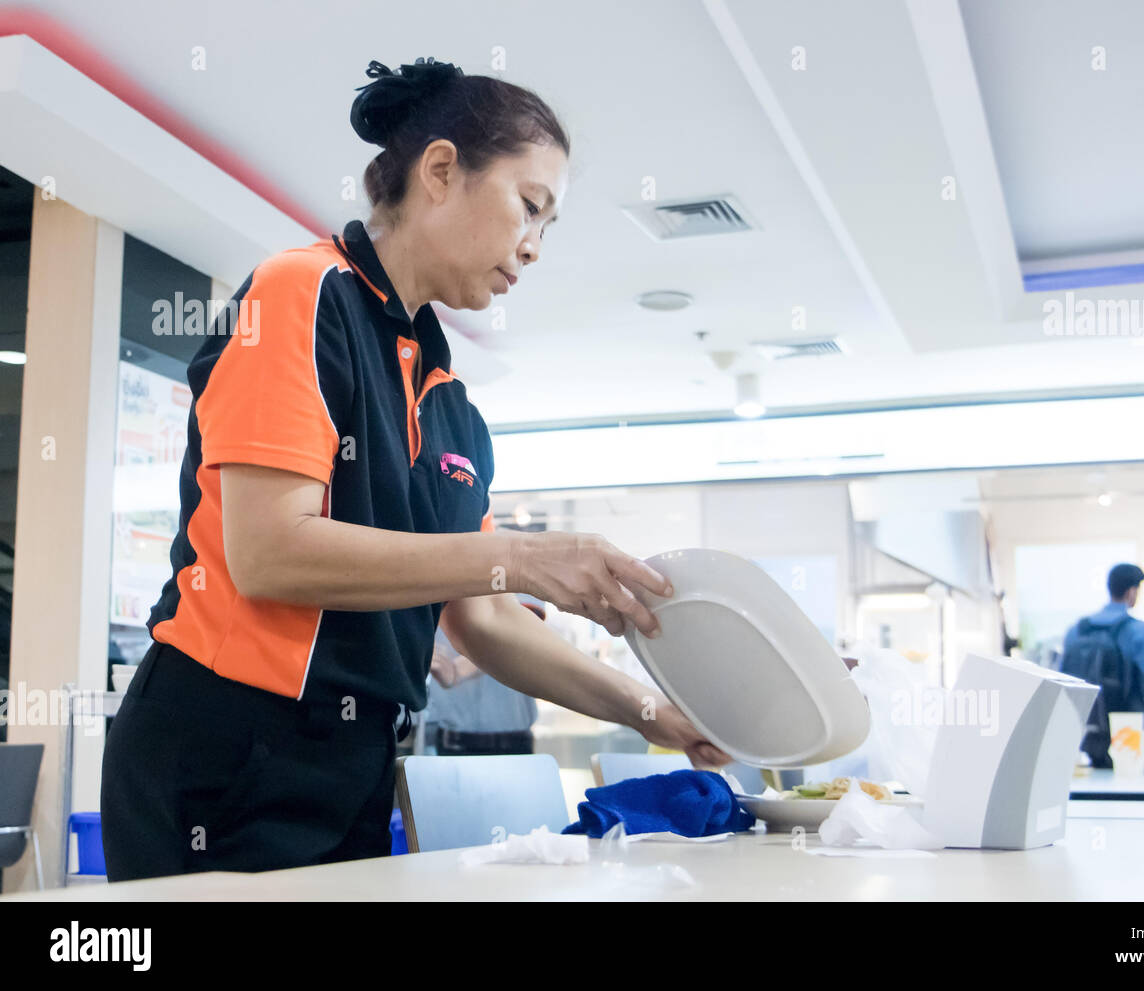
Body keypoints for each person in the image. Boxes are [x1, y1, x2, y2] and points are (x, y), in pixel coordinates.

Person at [100, 56, 730, 882]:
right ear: (441, 170)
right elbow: (269, 552)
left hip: (355, 761)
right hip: (225, 745)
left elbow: (485, 622)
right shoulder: (299, 293)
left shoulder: (452, 402)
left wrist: (664, 715)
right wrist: (525, 558)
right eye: (528, 207)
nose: (534, 248)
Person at [1060, 563, 1144, 768]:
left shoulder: (1077, 630)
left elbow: (1063, 679)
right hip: (1127, 725)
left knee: (1090, 784)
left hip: (1085, 724)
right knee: (1126, 777)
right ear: (1132, 591)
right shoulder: (1138, 631)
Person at [423, 605, 542, 756]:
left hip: (512, 741)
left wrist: (457, 671)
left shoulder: (520, 583)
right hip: (445, 736)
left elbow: (520, 627)